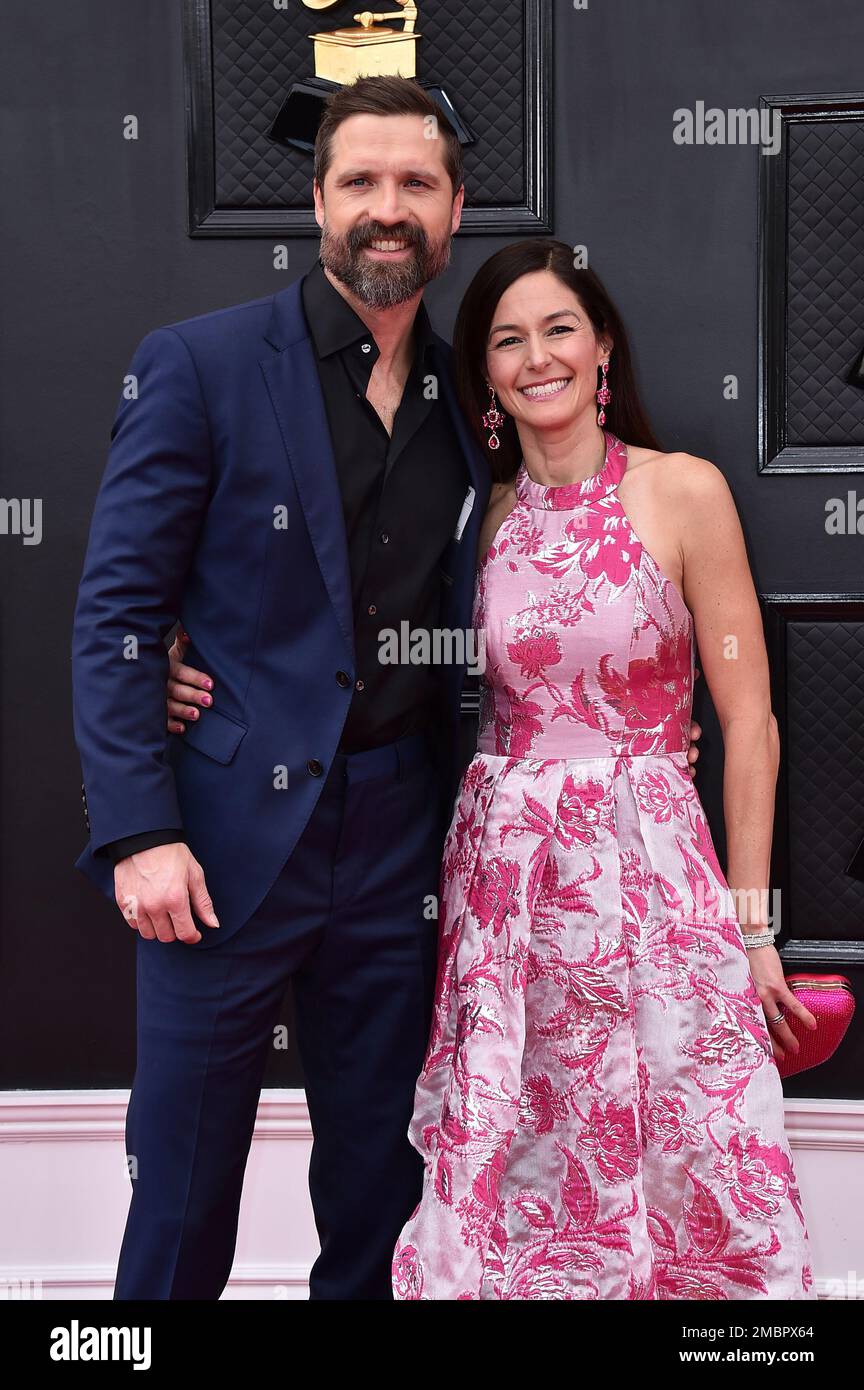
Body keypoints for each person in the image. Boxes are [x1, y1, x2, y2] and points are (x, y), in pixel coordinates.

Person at [72, 74, 700, 1301]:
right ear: (317, 202)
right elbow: (116, 617)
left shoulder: (475, 406)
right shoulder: (200, 366)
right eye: (360, 180)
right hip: (218, 847)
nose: (387, 206)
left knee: (382, 1191)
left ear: (454, 210)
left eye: (416, 183)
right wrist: (141, 827)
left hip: (403, 851)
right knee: (184, 1182)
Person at [385, 240, 819, 1299]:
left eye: (559, 328)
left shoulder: (683, 493)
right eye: (508, 339)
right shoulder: (474, 523)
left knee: (689, 1131)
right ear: (484, 374)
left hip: (653, 866)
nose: (539, 357)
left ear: (603, 345)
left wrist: (754, 924)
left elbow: (749, 722)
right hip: (508, 887)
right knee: (524, 1145)